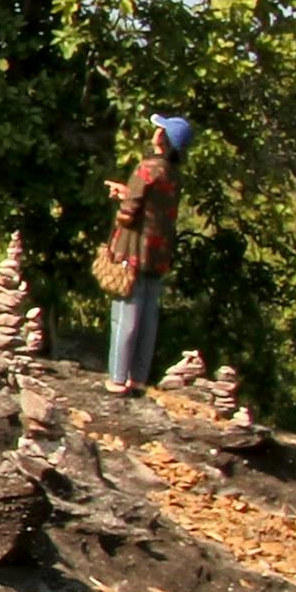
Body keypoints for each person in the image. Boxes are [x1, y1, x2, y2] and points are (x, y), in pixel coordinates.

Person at [103, 115, 190, 393]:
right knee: (149, 315)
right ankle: (138, 378)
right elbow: (156, 205)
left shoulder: (147, 167)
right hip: (159, 251)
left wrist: (123, 201)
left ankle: (117, 378)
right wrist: (129, 193)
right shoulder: (173, 173)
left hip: (135, 249)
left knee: (125, 313)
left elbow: (130, 214)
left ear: (162, 139)